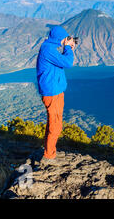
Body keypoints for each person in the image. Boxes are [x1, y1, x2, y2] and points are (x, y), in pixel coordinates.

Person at [36, 26, 75, 165]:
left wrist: (67, 48)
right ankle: (48, 156)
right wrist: (68, 48)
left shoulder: (49, 48)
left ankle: (50, 151)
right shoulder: (48, 50)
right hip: (52, 93)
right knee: (55, 124)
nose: (66, 40)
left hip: (55, 91)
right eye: (66, 38)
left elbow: (62, 62)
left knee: (54, 122)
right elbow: (68, 63)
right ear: (61, 38)